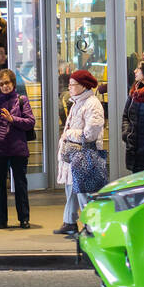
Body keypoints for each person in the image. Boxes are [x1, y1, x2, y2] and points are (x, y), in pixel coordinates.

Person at [0, 68, 36, 229]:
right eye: (1, 84)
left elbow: (30, 122)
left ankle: (24, 219)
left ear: (13, 83)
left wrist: (13, 119)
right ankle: (2, 220)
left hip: (17, 148)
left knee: (20, 185)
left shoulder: (22, 100)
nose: (4, 86)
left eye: (7, 83)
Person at [56, 69, 105, 234]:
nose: (69, 87)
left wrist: (69, 134)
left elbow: (91, 133)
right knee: (71, 188)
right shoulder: (78, 102)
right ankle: (69, 222)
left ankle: (91, 227)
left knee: (85, 192)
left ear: (83, 86)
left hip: (86, 154)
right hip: (76, 154)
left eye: (72, 84)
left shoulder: (92, 103)